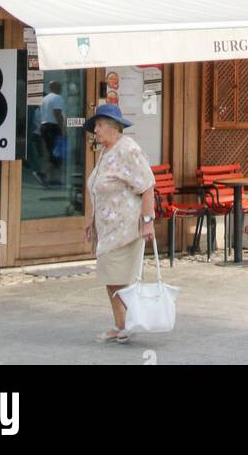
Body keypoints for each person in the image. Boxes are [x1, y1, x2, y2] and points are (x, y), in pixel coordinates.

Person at [84, 104, 156, 343]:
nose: (95, 130)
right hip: (108, 228)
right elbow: (96, 187)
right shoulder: (107, 150)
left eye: (99, 125)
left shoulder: (128, 149)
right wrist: (89, 220)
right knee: (112, 277)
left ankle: (133, 319)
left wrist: (147, 221)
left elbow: (147, 185)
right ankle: (122, 325)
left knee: (118, 277)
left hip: (126, 227)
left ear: (113, 127)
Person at [38, 81, 66, 185]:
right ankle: (43, 173)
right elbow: (57, 113)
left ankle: (53, 179)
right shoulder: (57, 98)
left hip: (44, 126)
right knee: (55, 153)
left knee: (50, 152)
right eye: (59, 86)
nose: (61, 88)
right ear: (54, 87)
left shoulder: (44, 99)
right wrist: (62, 128)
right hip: (53, 127)